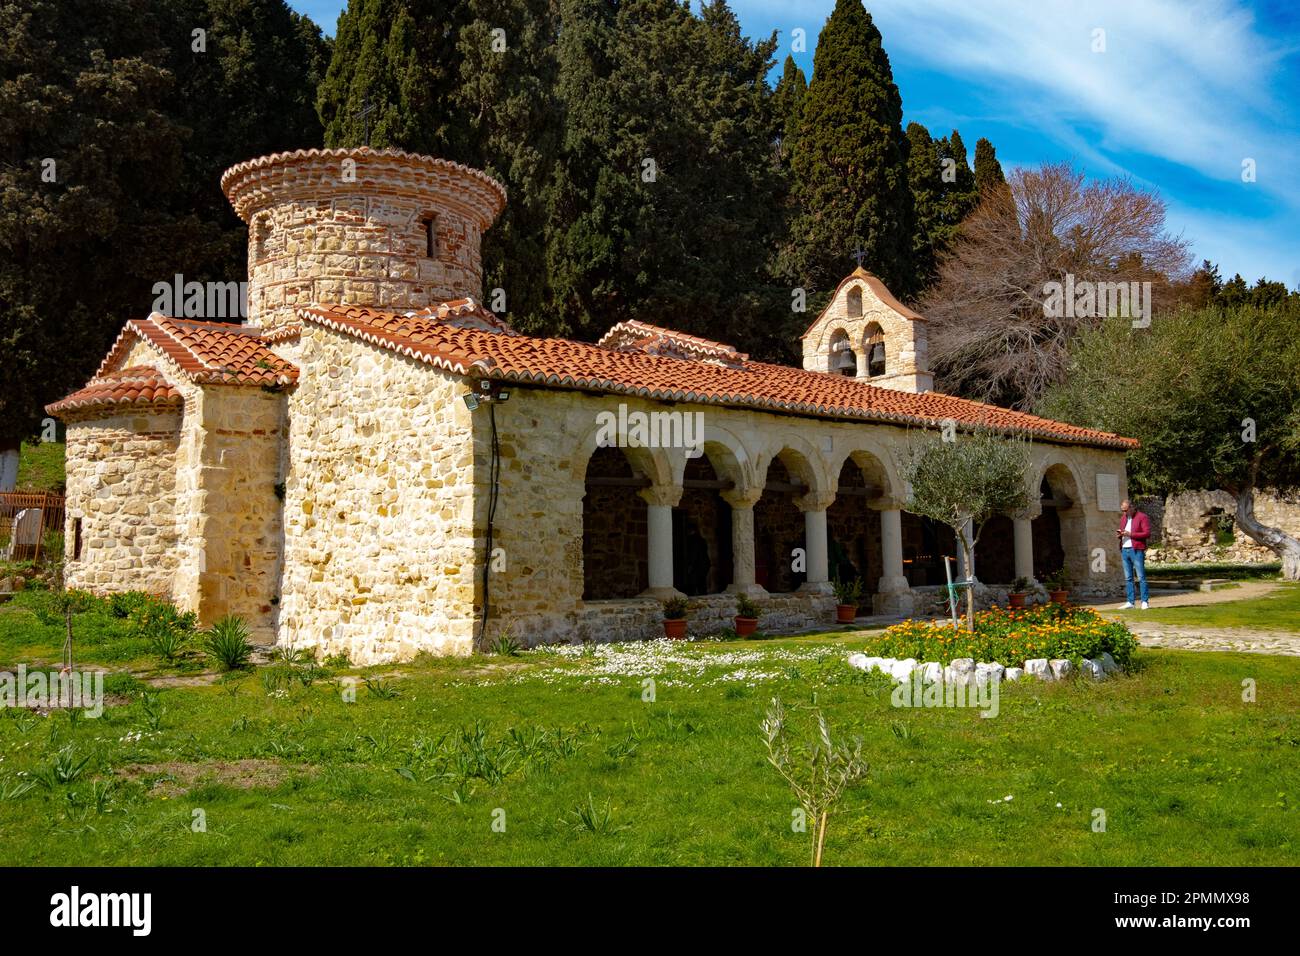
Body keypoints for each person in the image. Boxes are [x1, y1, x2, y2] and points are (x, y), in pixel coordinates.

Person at [1116, 499, 1151, 609]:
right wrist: (1120, 535)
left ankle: (1144, 601)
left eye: (1125, 510)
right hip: (1125, 549)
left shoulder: (1142, 517)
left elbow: (1147, 533)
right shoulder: (1123, 518)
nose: (1124, 513)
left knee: (1141, 576)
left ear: (1131, 507)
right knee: (1128, 578)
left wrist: (1130, 534)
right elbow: (1123, 532)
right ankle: (1130, 602)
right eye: (1122, 510)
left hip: (1136, 549)